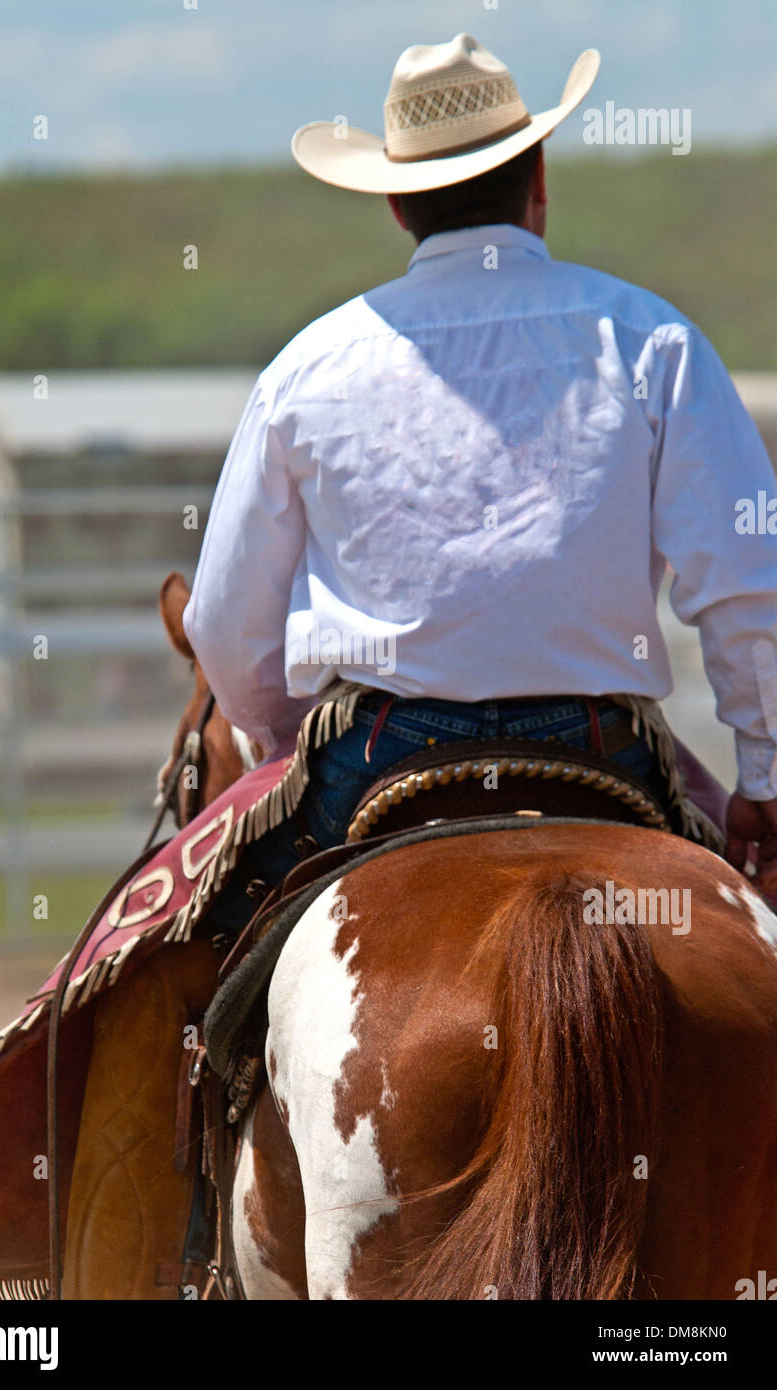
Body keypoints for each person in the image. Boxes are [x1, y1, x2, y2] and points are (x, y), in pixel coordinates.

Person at [183, 34, 777, 927]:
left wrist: (276, 739)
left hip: (377, 757)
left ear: (394, 201)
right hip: (596, 746)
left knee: (204, 962)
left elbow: (225, 629)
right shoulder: (652, 340)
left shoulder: (308, 368)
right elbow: (743, 579)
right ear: (538, 175)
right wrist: (765, 774)